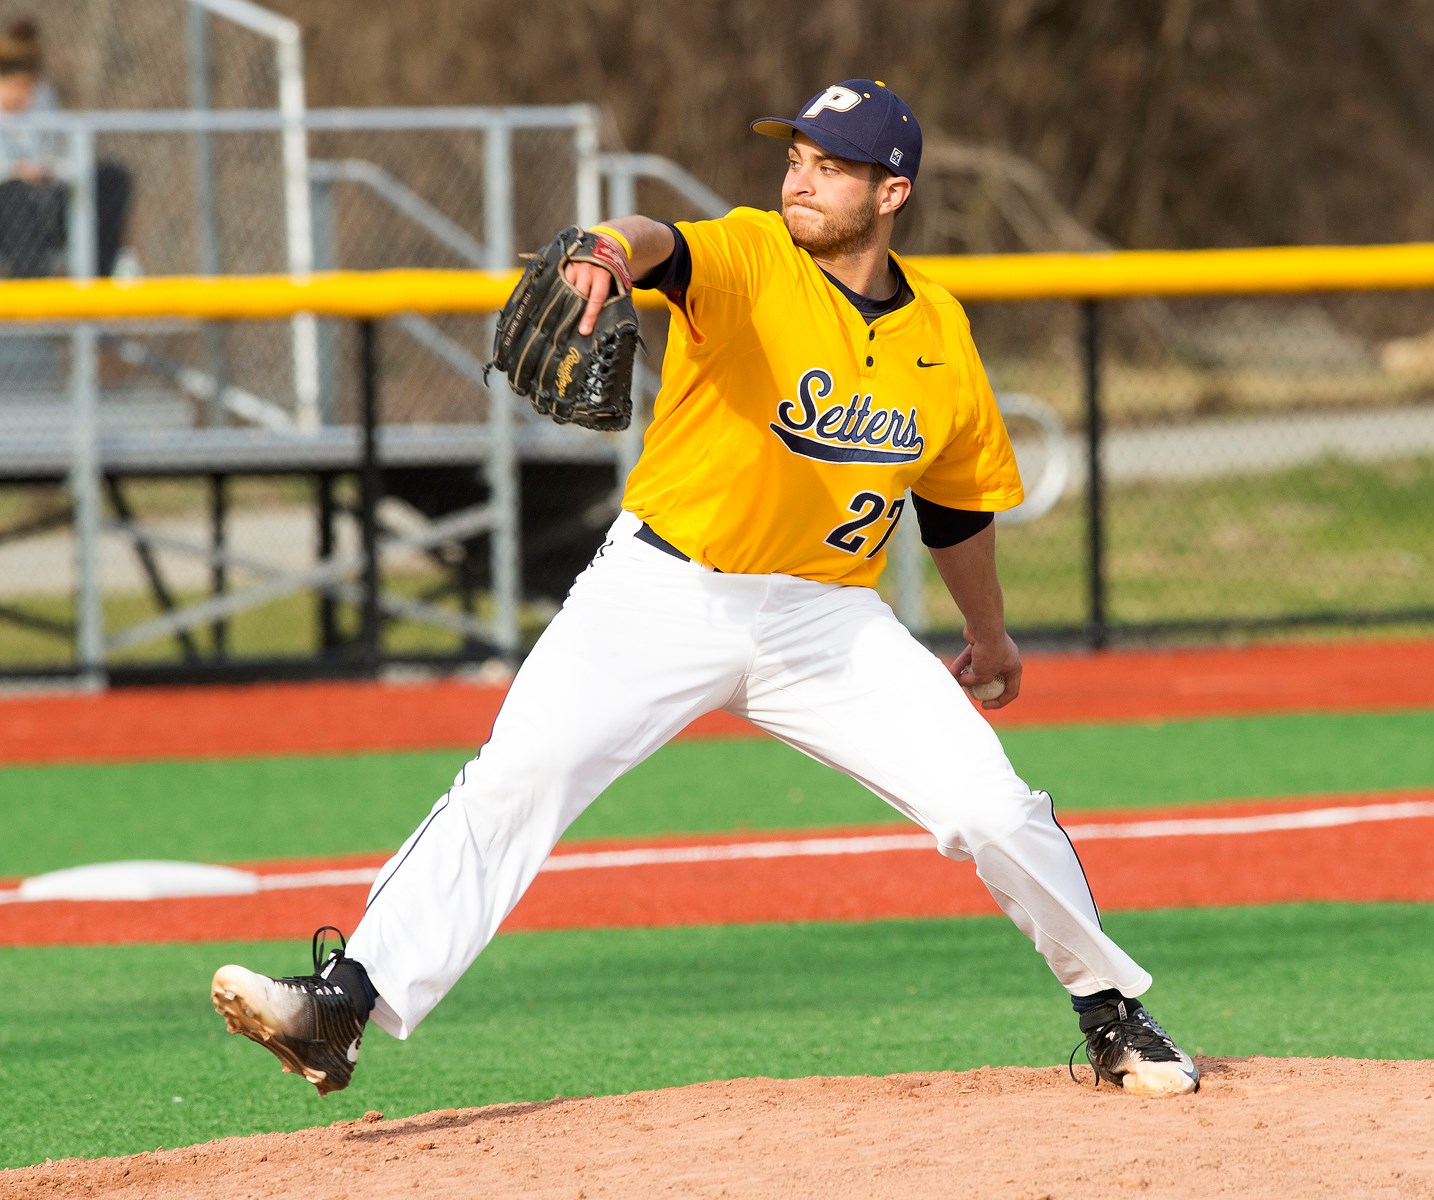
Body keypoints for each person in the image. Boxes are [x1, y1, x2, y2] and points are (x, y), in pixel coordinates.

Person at [211, 79, 1199, 1100]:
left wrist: (988, 638)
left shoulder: (941, 333)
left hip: (827, 622)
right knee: (518, 779)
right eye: (798, 158)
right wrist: (601, 247)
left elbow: (956, 504)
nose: (801, 179)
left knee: (992, 808)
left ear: (891, 191)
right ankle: (343, 1006)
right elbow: (658, 242)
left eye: (832, 165)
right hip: (660, 593)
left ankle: (1111, 1011)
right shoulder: (753, 251)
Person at [0, 18, 131, 278]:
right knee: (15, 193)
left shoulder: (44, 109)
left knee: (110, 176)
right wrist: (14, 171)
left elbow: (63, 156)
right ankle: (30, 281)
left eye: (28, 87)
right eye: (16, 86)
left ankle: (98, 273)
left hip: (47, 201)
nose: (23, 96)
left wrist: (49, 170)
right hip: (10, 211)